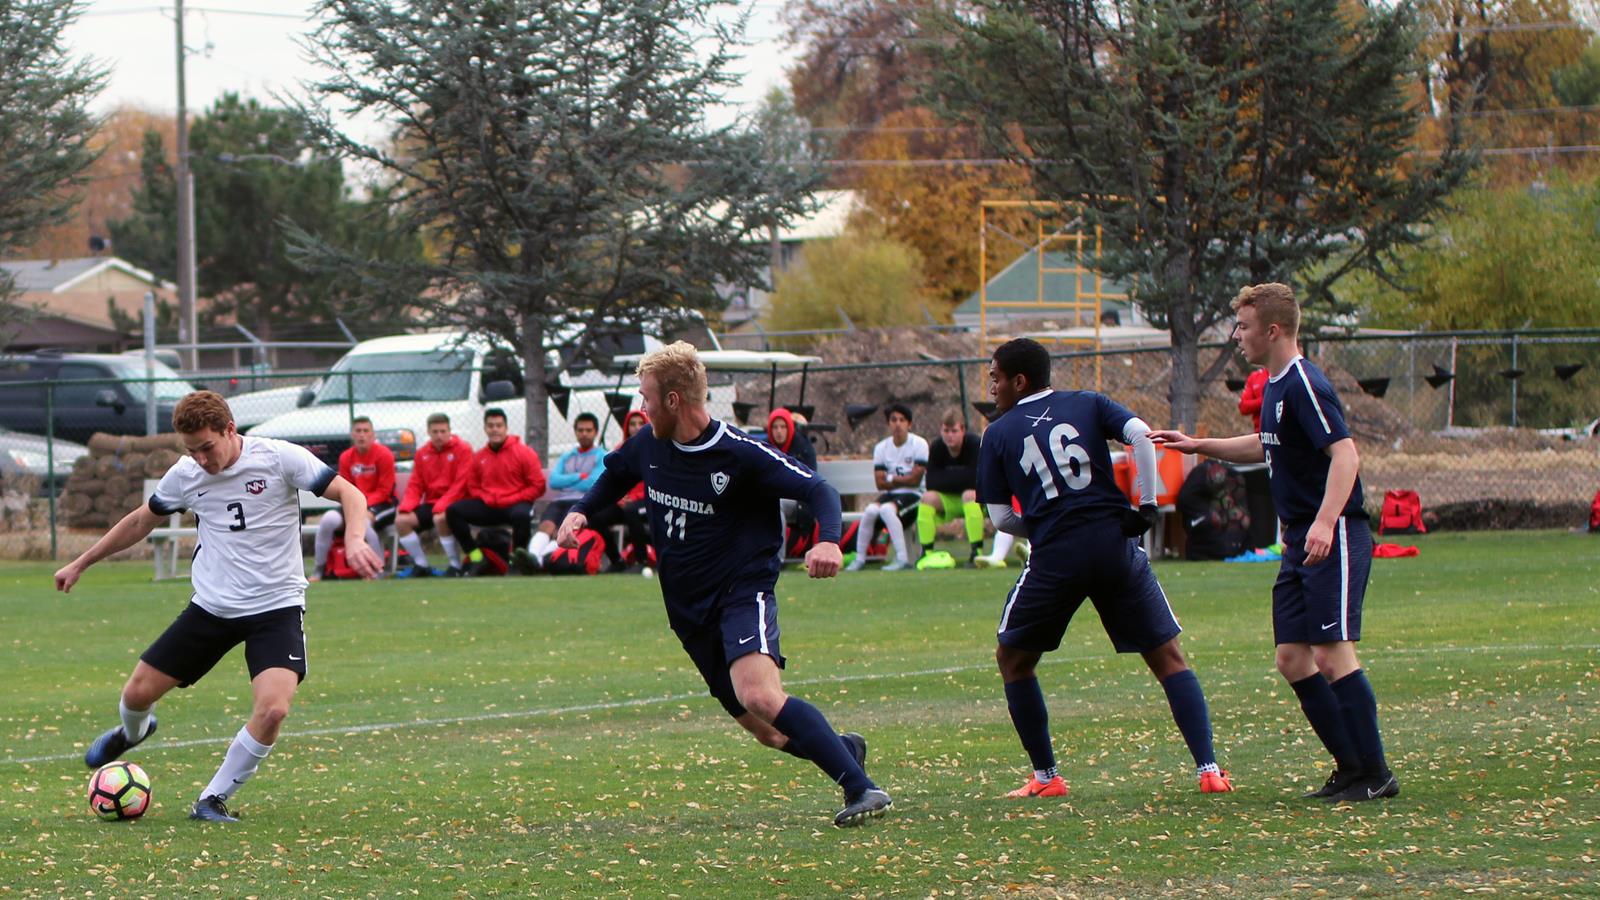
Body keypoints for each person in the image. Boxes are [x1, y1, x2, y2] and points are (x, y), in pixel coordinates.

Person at [557, 341, 892, 827]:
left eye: (646, 397)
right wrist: (580, 511)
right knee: (767, 732)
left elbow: (819, 489)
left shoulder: (740, 454)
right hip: (687, 610)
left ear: (673, 400)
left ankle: (862, 789)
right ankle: (843, 751)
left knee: (759, 694)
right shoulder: (650, 443)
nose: (642, 407)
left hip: (741, 592)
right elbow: (615, 476)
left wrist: (829, 541)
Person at [54, 390, 381, 823]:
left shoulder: (279, 458)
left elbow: (351, 495)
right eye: (193, 451)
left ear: (230, 429)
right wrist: (81, 562)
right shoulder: (186, 474)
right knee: (135, 695)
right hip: (213, 608)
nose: (202, 459)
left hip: (276, 607)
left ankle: (212, 799)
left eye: (207, 447)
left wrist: (354, 539)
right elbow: (140, 521)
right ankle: (132, 733)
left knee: (274, 709)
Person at [1150, 282, 1397, 803]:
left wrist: (1325, 523)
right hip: (1299, 541)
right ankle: (1351, 768)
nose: (1236, 335)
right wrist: (1197, 445)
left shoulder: (1304, 383)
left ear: (1274, 330)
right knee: (1292, 658)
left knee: (1332, 654)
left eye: (1243, 326)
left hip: (1332, 533)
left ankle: (1375, 773)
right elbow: (1265, 445)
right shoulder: (1274, 385)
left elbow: (1346, 455)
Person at [976, 338, 1233, 799]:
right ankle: (1209, 770)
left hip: (1057, 558)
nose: (992, 387)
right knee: (1167, 657)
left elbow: (1000, 519)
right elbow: (1141, 436)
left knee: (1012, 660)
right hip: (1114, 545)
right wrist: (1147, 505)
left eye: (996, 378)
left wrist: (1047, 524)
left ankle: (1047, 778)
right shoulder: (1089, 402)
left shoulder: (997, 434)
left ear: (1020, 380)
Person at [446, 408, 548, 576]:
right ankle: (476, 556)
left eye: (499, 425)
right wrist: (485, 497)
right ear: (485, 428)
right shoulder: (479, 456)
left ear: (506, 428)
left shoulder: (524, 453)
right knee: (453, 511)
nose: (495, 429)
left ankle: (516, 562)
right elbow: (473, 485)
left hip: (515, 504)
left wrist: (513, 498)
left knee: (522, 515)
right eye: (491, 426)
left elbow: (538, 485)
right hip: (490, 505)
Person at [519, 412, 606, 572]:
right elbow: (554, 481)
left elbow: (593, 483)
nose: (584, 434)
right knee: (546, 526)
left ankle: (541, 561)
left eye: (588, 430)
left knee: (561, 530)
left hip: (582, 502)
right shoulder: (567, 456)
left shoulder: (602, 455)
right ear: (575, 432)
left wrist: (568, 480)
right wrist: (579, 476)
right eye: (580, 430)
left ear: (595, 432)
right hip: (560, 500)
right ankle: (533, 557)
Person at [844, 404, 928, 572]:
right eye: (893, 420)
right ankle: (859, 559)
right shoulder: (882, 448)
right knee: (870, 511)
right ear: (888, 423)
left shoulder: (919, 444)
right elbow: (880, 483)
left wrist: (890, 478)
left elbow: (915, 481)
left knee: (887, 510)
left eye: (902, 420)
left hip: (915, 495)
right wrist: (901, 479)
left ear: (909, 424)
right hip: (892, 495)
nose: (898, 424)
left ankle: (902, 559)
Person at [312, 416, 395, 580]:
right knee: (328, 520)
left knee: (364, 523)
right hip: (353, 503)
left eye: (366, 431)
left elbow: (384, 491)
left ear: (373, 435)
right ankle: (319, 570)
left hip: (382, 504)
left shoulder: (384, 455)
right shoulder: (346, 457)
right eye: (358, 431)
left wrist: (361, 506)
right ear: (352, 435)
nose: (362, 435)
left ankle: (377, 570)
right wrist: (353, 506)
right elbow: (345, 489)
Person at [395, 412, 473, 577]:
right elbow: (415, 485)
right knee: (402, 521)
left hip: (456, 503)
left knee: (440, 519)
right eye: (435, 431)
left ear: (450, 431)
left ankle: (455, 565)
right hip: (433, 504)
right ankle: (421, 565)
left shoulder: (464, 449)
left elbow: (461, 485)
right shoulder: (422, 453)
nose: (439, 435)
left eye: (443, 431)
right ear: (428, 432)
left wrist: (442, 505)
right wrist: (406, 506)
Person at [916, 409, 986, 569]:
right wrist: (962, 476)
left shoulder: (974, 444)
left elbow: (975, 479)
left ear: (963, 430)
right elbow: (931, 482)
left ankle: (977, 552)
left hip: (978, 501)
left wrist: (947, 477)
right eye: (946, 431)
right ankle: (926, 553)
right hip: (950, 500)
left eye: (954, 431)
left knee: (969, 494)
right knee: (927, 498)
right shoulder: (937, 446)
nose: (949, 435)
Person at [766, 407, 817, 552]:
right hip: (770, 498)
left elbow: (809, 481)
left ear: (789, 428)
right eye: (775, 427)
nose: (779, 431)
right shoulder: (764, 447)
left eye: (783, 427)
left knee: (777, 505)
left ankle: (778, 558)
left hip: (799, 502)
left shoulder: (803, 448)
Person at [1238, 367, 1269, 431]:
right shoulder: (1255, 376)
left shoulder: (1285, 374)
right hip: (1259, 432)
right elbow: (1243, 407)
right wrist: (1266, 400)